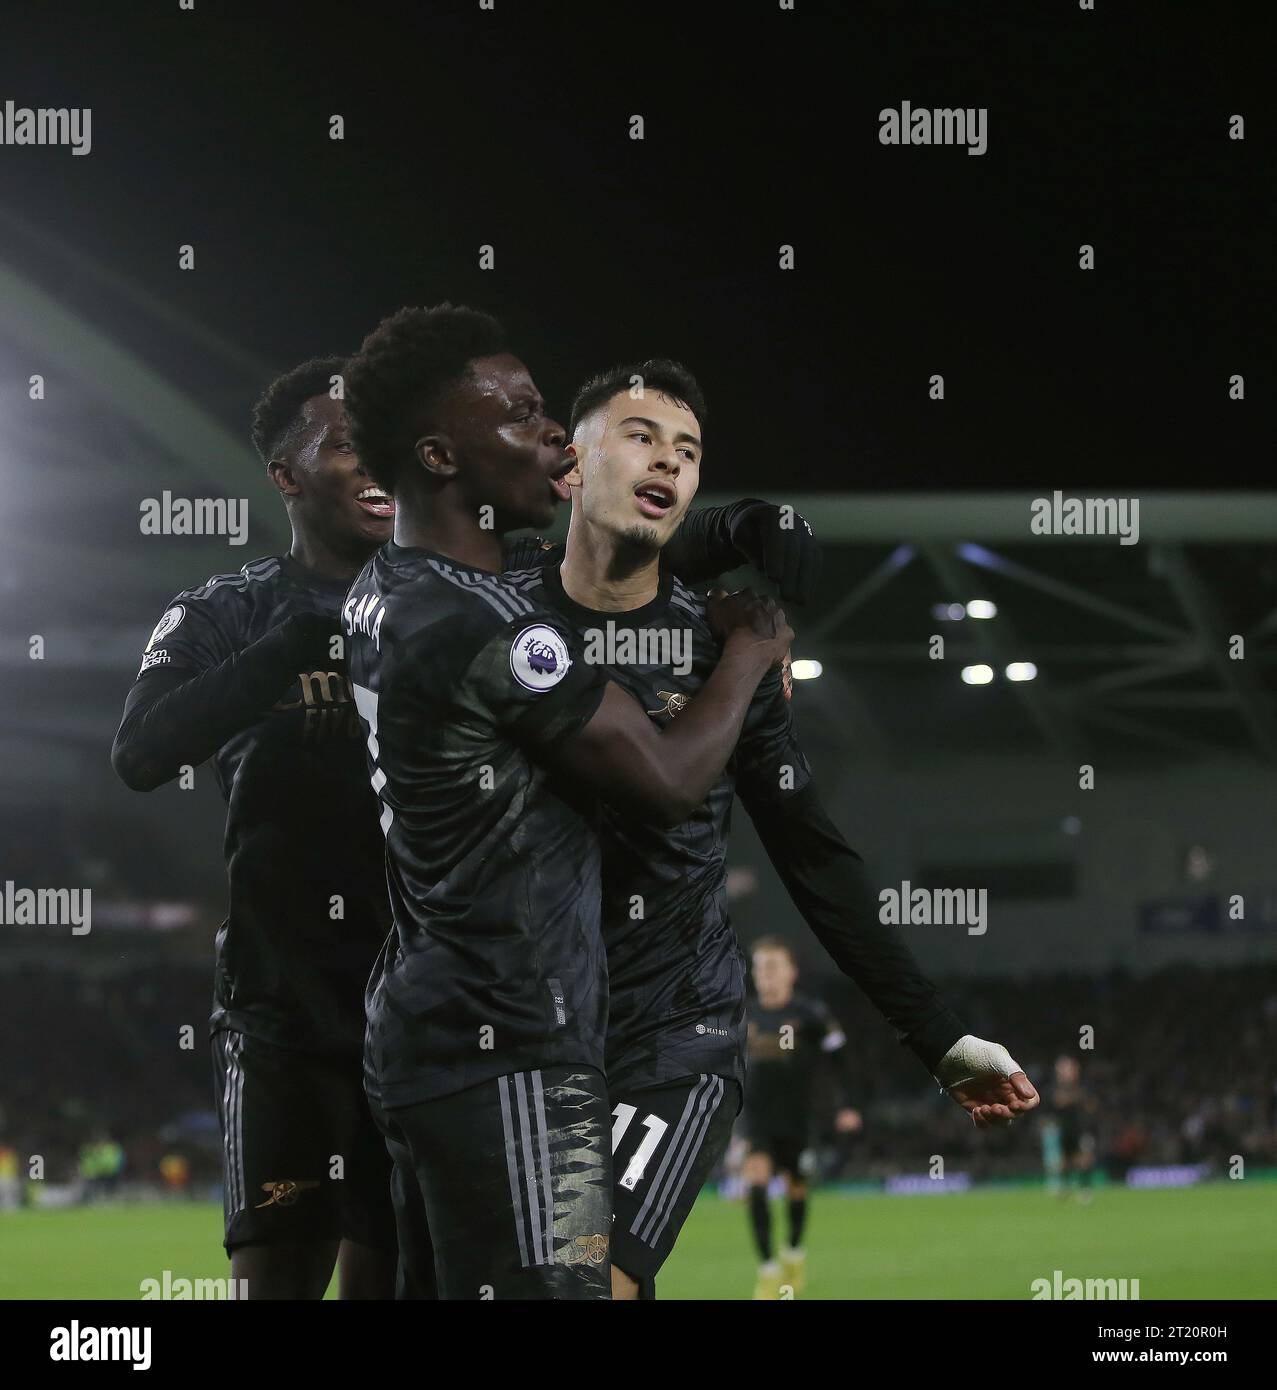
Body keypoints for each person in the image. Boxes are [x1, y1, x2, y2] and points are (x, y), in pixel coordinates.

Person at [511, 356, 1037, 1300]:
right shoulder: (491, 608)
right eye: (640, 436)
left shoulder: (729, 652)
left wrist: (941, 1039)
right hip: (518, 1023)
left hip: (671, 1026)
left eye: (688, 451)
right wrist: (735, 527)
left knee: (579, 1278)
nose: (667, 460)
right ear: (570, 464)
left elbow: (813, 857)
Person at [341, 303, 792, 1298]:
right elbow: (669, 782)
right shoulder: (488, 628)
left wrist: (702, 550)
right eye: (518, 414)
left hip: (421, 1030)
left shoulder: (384, 587)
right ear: (438, 455)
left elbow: (594, 561)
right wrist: (751, 650)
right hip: (513, 1048)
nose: (553, 434)